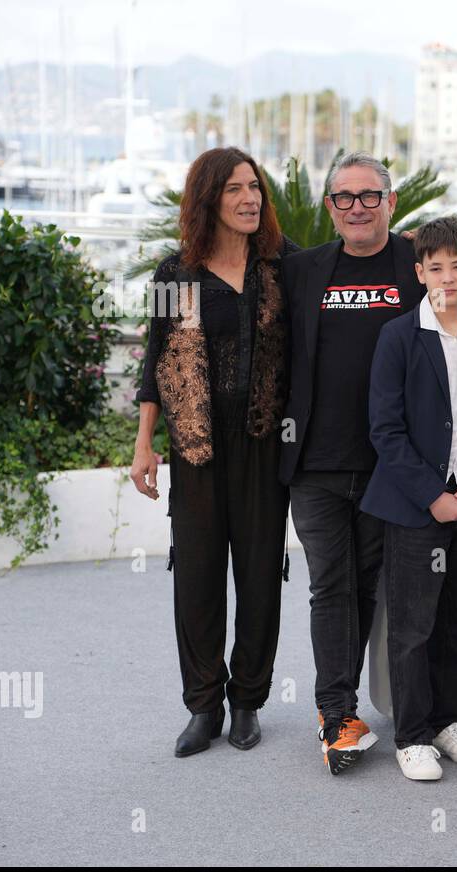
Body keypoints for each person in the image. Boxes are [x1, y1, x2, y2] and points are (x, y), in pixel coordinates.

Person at [279, 152, 457, 775]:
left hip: (391, 468)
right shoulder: (304, 270)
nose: (358, 207)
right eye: (345, 197)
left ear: (391, 204)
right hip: (316, 463)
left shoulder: (416, 262)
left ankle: (418, 719)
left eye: (370, 196)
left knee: (378, 593)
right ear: (329, 207)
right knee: (329, 587)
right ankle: (336, 712)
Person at [131, 146, 292, 757]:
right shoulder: (177, 275)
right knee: (195, 578)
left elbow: (354, 262)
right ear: (208, 200)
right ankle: (204, 705)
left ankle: (248, 700)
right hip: (196, 446)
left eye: (255, 187)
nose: (250, 198)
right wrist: (145, 445)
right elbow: (154, 360)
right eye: (234, 190)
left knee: (258, 577)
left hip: (262, 446)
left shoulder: (280, 266)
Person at [360, 217, 457, 781]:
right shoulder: (399, 337)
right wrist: (432, 495)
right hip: (418, 507)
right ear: (420, 273)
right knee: (413, 625)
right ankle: (413, 734)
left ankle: (449, 719)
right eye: (436, 267)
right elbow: (385, 430)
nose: (448, 276)